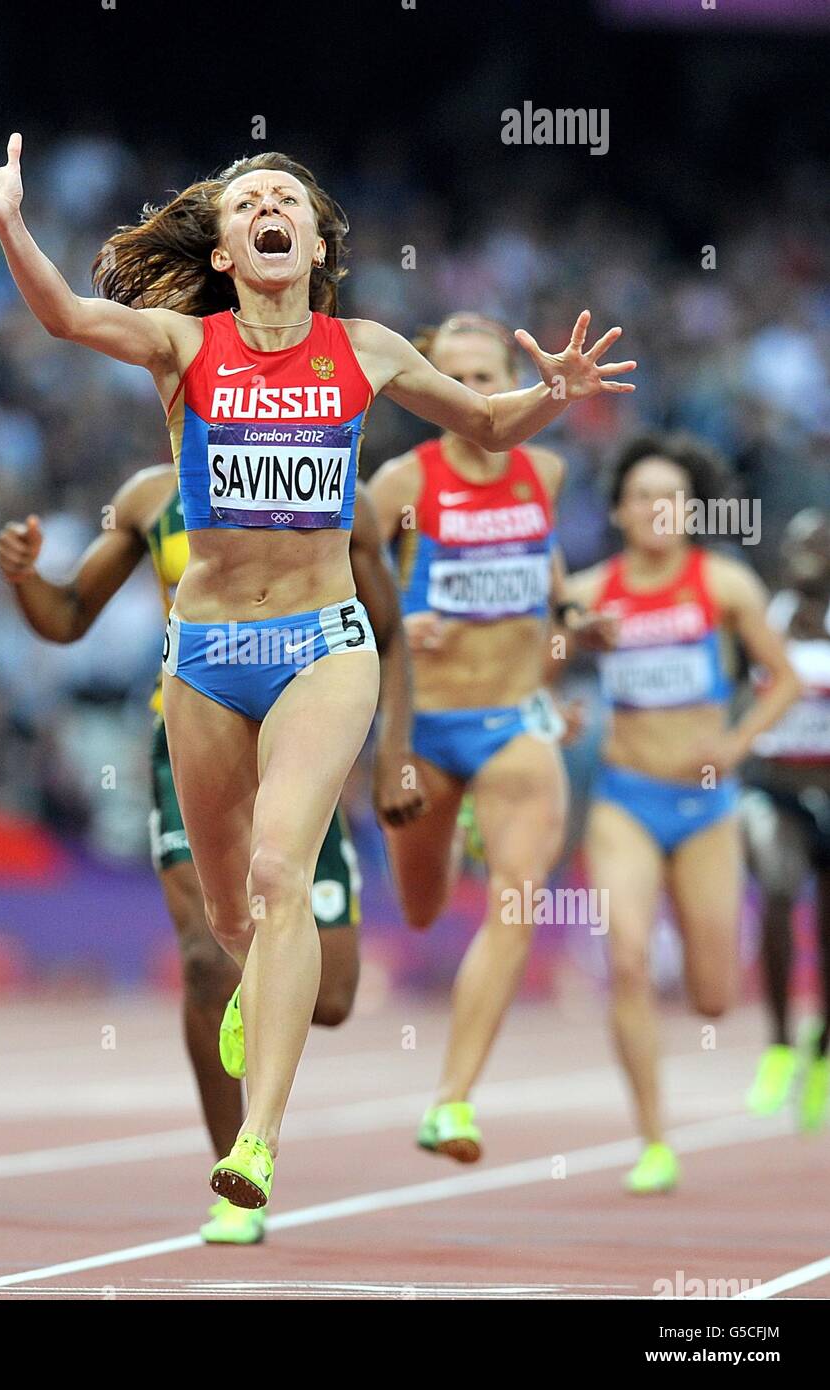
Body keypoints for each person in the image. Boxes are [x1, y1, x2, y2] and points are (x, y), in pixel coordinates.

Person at [0, 118, 634, 1207]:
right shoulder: (183, 348)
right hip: (206, 654)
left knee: (279, 877)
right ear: (221, 251)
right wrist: (10, 222)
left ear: (315, 244)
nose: (268, 208)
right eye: (246, 202)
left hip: (323, 641)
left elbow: (490, 427)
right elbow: (67, 314)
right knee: (227, 919)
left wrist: (555, 390)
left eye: (287, 201)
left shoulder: (365, 348)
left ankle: (256, 1138)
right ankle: (247, 981)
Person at [0, 467, 419, 1240]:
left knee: (331, 996)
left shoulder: (326, 485)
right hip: (191, 731)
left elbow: (384, 629)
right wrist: (26, 578)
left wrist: (393, 754)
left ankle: (255, 988)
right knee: (202, 957)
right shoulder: (150, 498)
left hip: (301, 727)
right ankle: (237, 1175)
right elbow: (65, 618)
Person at [368, 312, 615, 1162]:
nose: (471, 393)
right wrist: (403, 620)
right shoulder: (402, 483)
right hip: (426, 729)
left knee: (517, 899)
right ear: (427, 390)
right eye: (454, 379)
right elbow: (334, 586)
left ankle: (452, 1101)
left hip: (514, 724)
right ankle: (455, 826)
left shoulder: (541, 468)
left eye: (484, 377)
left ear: (508, 380)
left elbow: (549, 585)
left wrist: (581, 620)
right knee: (422, 906)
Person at [565, 433, 800, 1193]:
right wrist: (560, 693)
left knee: (711, 996)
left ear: (690, 510)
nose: (655, 509)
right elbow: (531, 667)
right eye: (640, 497)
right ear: (619, 511)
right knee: (627, 961)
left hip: (704, 805)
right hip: (624, 798)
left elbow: (784, 680)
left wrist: (735, 747)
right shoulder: (593, 589)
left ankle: (728, 988)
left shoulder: (723, 584)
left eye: (669, 497)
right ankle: (653, 1140)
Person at [741, 509, 830, 1131]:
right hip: (776, 784)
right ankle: (778, 1044)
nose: (810, 555)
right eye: (800, 544)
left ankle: (820, 1054)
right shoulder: (763, 618)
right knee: (775, 885)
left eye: (821, 545)